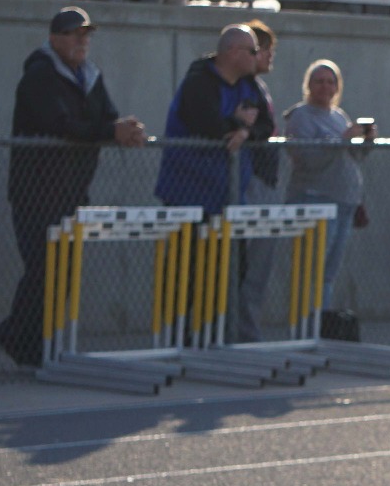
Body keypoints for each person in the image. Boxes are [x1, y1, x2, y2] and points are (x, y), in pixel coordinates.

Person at [0, 6, 146, 368]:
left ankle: (32, 344)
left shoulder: (90, 76)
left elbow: (105, 118)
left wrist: (126, 128)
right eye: (73, 34)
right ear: (54, 39)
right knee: (43, 267)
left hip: (72, 189)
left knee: (62, 271)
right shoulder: (40, 75)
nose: (82, 41)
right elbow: (60, 124)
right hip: (36, 191)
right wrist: (108, 131)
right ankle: (18, 338)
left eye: (86, 34)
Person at [155, 26, 267, 281]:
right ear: (233, 52)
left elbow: (266, 125)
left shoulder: (250, 85)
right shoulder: (199, 81)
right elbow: (207, 126)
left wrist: (246, 132)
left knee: (232, 275)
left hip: (229, 197)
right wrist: (237, 123)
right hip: (189, 197)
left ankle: (222, 322)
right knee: (185, 277)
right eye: (252, 51)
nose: (257, 57)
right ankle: (178, 322)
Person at [282, 59, 372, 323]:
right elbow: (307, 159)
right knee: (311, 266)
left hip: (344, 201)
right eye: (319, 81)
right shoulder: (301, 116)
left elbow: (355, 156)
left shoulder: (338, 116)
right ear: (308, 85)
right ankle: (301, 323)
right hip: (315, 199)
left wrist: (365, 140)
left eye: (330, 82)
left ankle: (320, 323)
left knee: (329, 271)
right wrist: (341, 140)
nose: (325, 87)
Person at [228, 18, 282, 344]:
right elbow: (250, 126)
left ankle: (245, 329)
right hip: (251, 182)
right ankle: (241, 332)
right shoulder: (243, 88)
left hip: (265, 181)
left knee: (260, 263)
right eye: (265, 50)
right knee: (246, 264)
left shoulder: (258, 88)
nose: (270, 56)